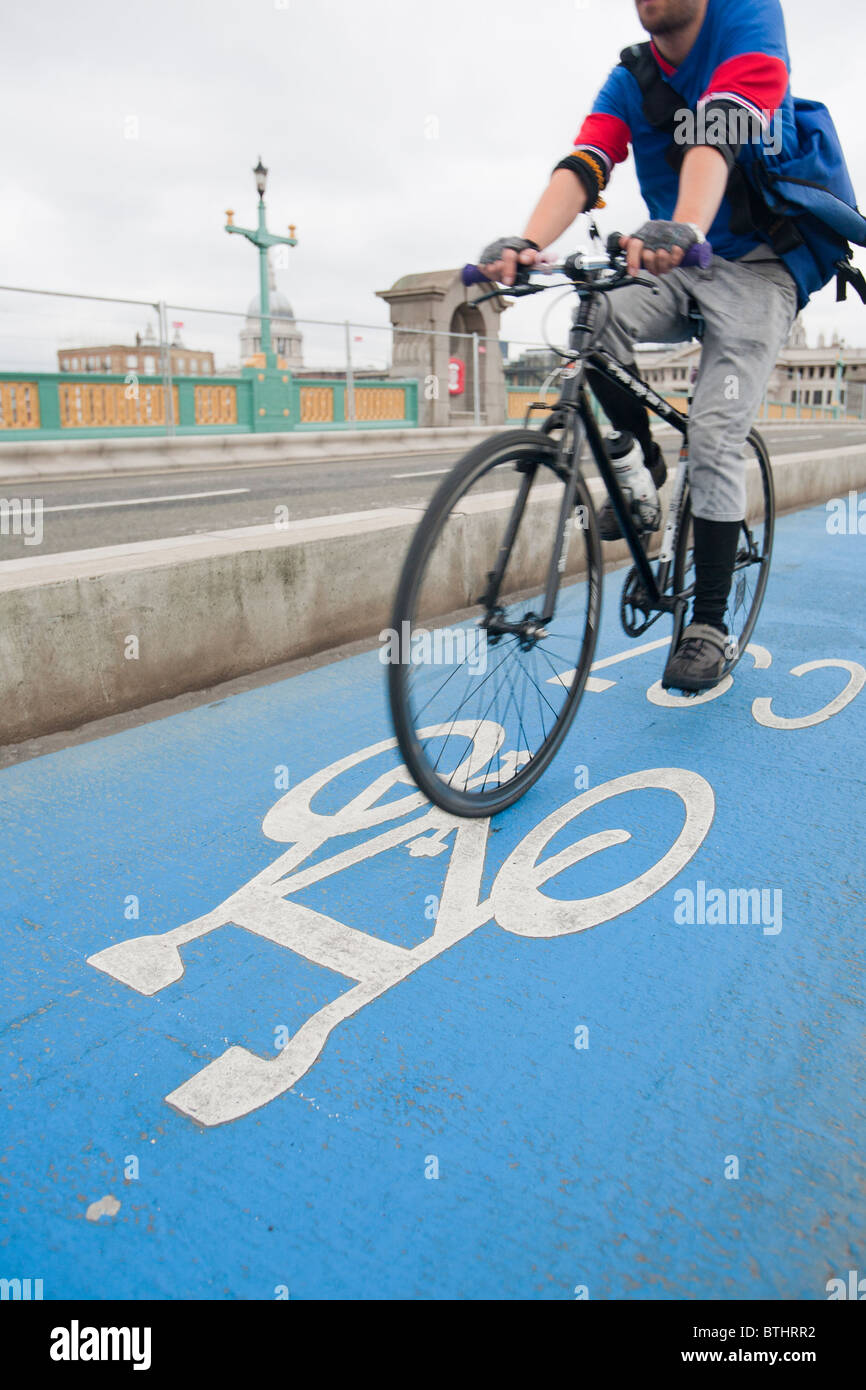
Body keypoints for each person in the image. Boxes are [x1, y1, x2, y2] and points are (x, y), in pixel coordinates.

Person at [479, 0, 800, 692]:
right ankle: (638, 469)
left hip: (758, 266)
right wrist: (528, 241)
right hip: (679, 258)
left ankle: (709, 622)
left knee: (715, 436)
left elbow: (717, 134)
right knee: (593, 321)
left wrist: (681, 226)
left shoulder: (748, 21)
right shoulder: (631, 76)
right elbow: (587, 160)